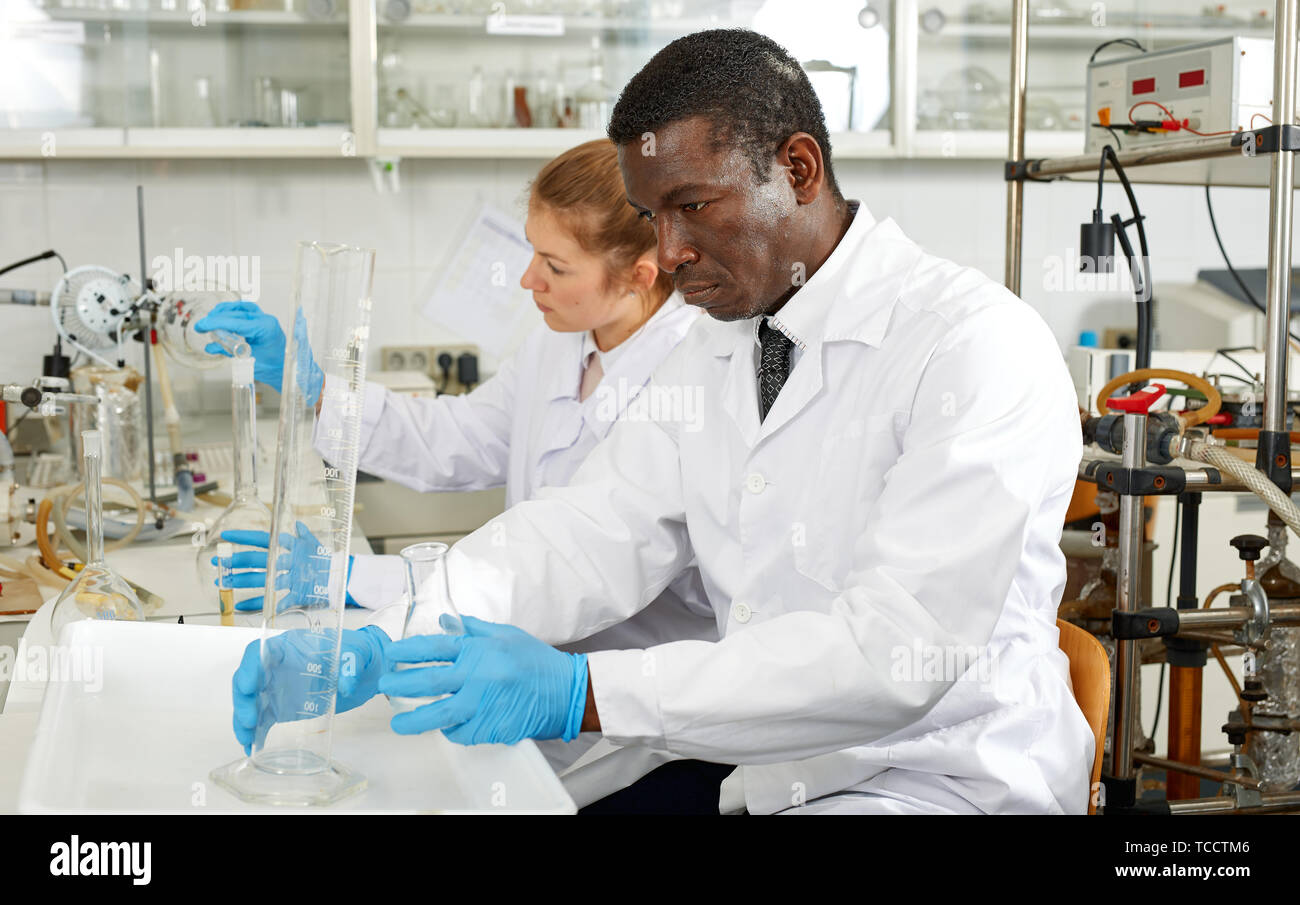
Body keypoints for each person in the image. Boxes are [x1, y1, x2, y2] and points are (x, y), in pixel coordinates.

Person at [235, 28, 1094, 815]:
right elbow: (588, 528)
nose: (670, 250)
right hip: (772, 776)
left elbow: (892, 655)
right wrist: (386, 642)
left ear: (797, 168)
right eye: (655, 215)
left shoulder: (975, 347)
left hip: (942, 780)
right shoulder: (725, 348)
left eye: (695, 205)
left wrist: (584, 691)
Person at [199, 140, 718, 807]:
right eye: (532, 252)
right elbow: (460, 438)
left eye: (555, 265)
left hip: (627, 724)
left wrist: (366, 593)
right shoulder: (561, 338)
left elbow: (577, 557)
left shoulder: (690, 374)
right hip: (511, 661)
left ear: (642, 272)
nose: (528, 280)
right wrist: (317, 388)